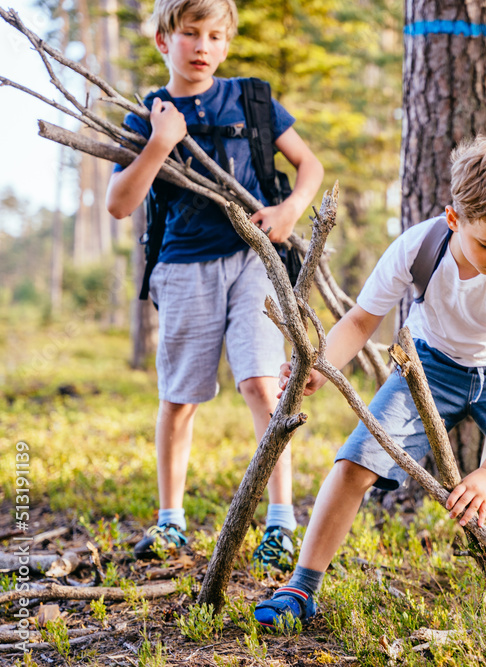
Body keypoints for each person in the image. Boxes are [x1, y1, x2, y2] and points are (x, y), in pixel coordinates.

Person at [254, 135, 486, 628]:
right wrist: (318, 364)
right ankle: (302, 585)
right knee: (354, 463)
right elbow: (361, 322)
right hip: (432, 368)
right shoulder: (419, 246)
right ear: (454, 219)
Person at [105, 0, 323, 569]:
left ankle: (280, 523)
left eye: (215, 36)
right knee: (179, 398)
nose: (202, 46)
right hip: (183, 267)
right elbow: (119, 204)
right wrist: (159, 141)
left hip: (255, 258)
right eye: (190, 34)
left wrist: (291, 209)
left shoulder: (251, 101)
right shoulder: (148, 115)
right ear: (164, 42)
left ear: (226, 45)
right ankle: (171, 522)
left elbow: (310, 166)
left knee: (262, 386)